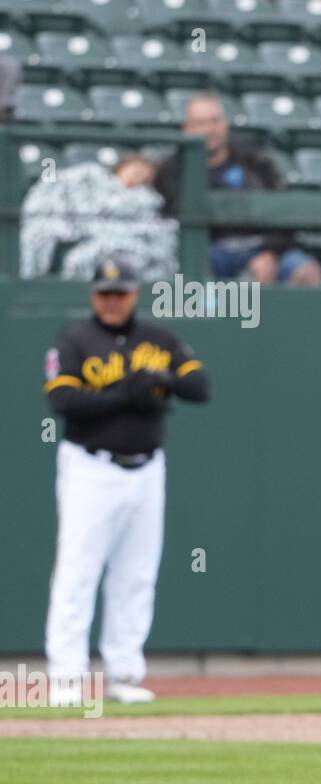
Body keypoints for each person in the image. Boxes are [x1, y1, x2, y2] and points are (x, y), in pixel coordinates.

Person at [43, 258, 212, 705]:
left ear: (135, 294)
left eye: (120, 293)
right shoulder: (76, 339)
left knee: (136, 574)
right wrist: (123, 393)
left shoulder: (158, 339)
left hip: (147, 467)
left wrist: (163, 378)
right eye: (104, 293)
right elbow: (62, 399)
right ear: (93, 295)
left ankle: (124, 672)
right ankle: (66, 676)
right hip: (90, 467)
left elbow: (200, 386)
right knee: (78, 570)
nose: (112, 301)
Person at [154, 93, 321, 285]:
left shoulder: (256, 163)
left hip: (262, 246)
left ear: (226, 124)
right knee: (196, 271)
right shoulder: (173, 170)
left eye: (215, 121)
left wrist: (269, 253)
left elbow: (283, 213)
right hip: (211, 250)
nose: (210, 129)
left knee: (307, 272)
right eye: (200, 123)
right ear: (186, 129)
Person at [21, 153, 177, 281]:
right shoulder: (91, 175)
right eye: (136, 172)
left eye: (145, 180)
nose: (138, 180)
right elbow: (57, 187)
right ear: (122, 167)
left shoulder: (147, 198)